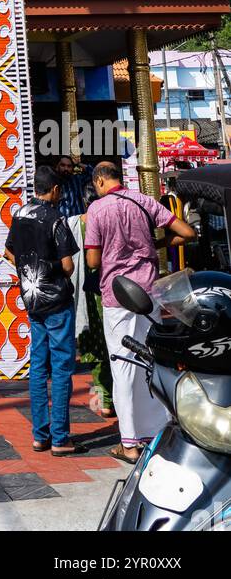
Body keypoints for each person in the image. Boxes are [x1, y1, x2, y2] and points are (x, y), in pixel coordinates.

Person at [85, 160, 195, 462]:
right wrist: (154, 242)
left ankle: (129, 443)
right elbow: (187, 231)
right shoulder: (145, 202)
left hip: (117, 296)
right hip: (148, 294)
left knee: (123, 368)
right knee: (150, 362)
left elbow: (93, 261)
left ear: (98, 181)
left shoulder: (97, 209)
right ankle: (156, 434)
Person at [4, 165, 78, 455]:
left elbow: (8, 252)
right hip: (57, 299)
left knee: (38, 366)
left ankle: (40, 435)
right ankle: (60, 438)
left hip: (32, 299)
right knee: (61, 367)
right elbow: (69, 266)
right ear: (55, 190)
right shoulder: (56, 218)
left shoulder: (19, 214)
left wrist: (28, 269)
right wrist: (49, 270)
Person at [54, 154, 92, 219]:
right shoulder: (53, 181)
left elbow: (93, 173)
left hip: (78, 222)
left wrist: (78, 164)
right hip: (61, 222)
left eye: (69, 166)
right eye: (63, 165)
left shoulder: (77, 180)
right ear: (58, 166)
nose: (66, 168)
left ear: (73, 168)